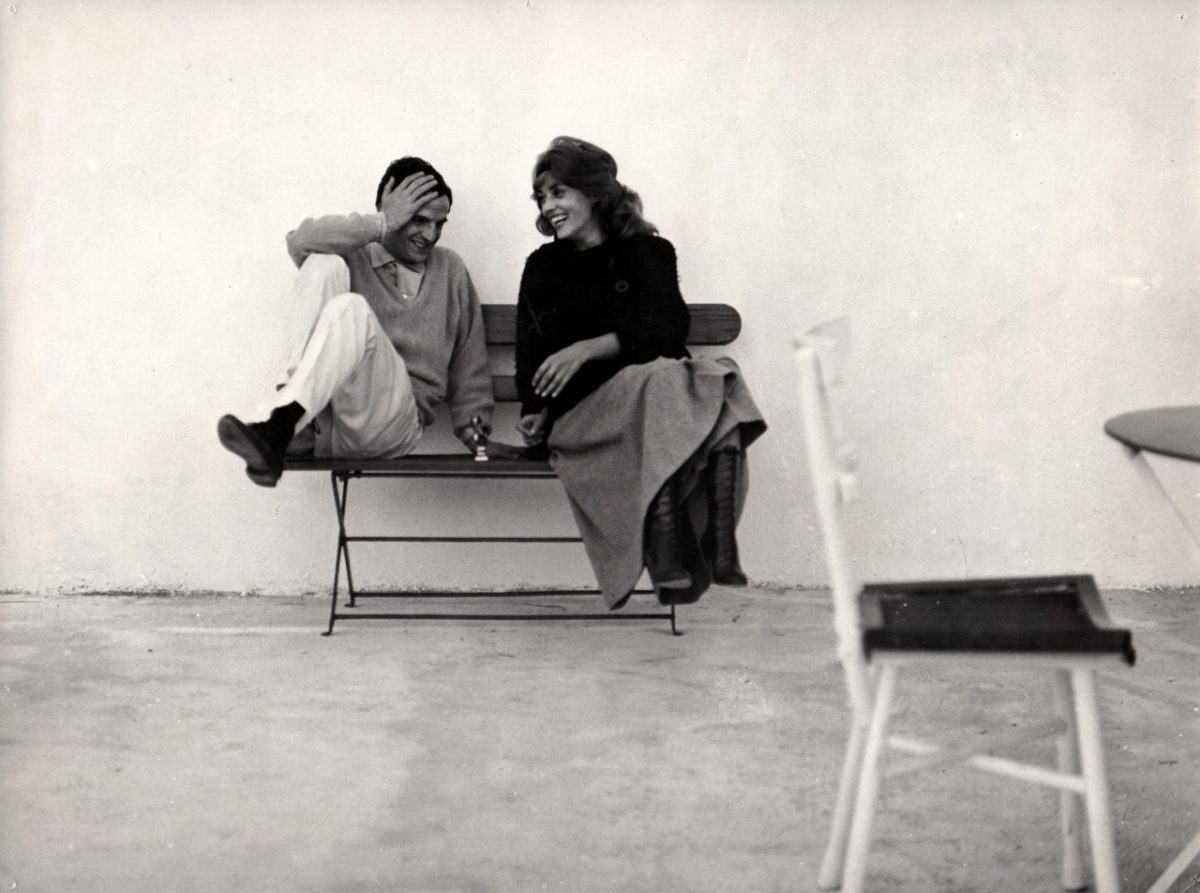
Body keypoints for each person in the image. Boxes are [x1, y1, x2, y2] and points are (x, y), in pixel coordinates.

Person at [515, 136, 767, 608]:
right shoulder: (544, 266)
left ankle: (712, 537)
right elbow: (531, 358)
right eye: (543, 196)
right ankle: (702, 543)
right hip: (584, 422)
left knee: (718, 372)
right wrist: (535, 409)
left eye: (559, 192)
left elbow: (670, 329)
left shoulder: (650, 252)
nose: (549, 207)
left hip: (653, 411)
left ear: (593, 192)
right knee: (676, 375)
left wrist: (592, 347)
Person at [218, 157, 493, 486]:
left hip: (394, 425)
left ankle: (281, 425)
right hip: (333, 423)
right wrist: (381, 223)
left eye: (440, 223)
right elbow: (299, 241)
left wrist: (478, 439)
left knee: (352, 309)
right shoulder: (354, 254)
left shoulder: (450, 269)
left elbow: (470, 363)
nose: (430, 234)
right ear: (388, 210)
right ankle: (296, 427)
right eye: (419, 219)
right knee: (323, 264)